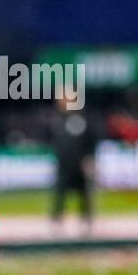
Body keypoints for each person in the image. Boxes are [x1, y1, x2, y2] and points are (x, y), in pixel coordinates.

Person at [50, 87, 95, 229]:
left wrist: (89, 159)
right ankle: (57, 221)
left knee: (84, 194)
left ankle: (86, 222)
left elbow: (90, 141)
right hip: (64, 165)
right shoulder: (57, 120)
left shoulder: (82, 120)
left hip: (79, 165)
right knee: (60, 193)